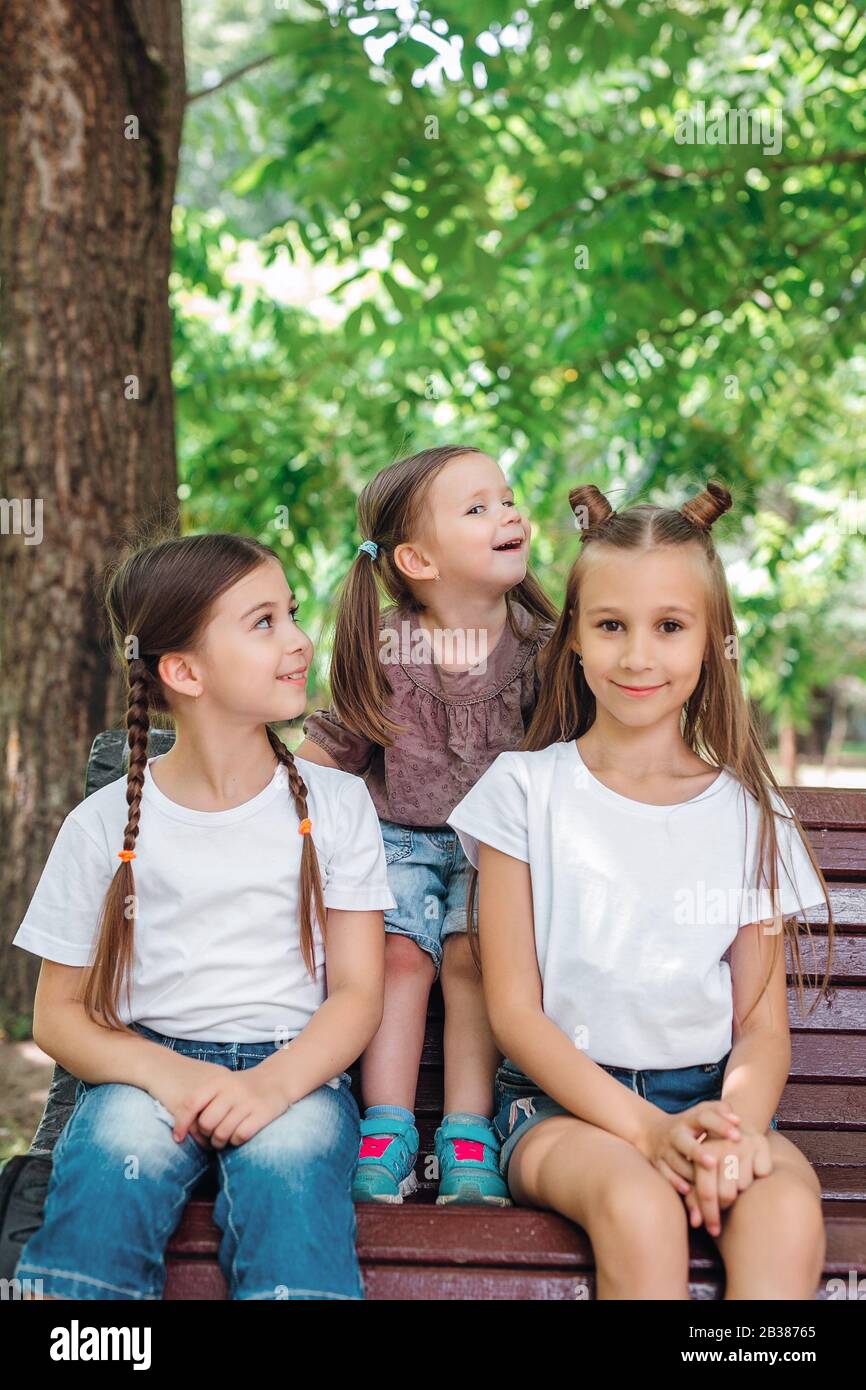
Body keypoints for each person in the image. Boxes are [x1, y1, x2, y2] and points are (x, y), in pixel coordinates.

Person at [446, 480, 835, 1299]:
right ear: (575, 640)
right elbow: (515, 1013)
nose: (637, 656)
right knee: (638, 1206)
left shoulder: (750, 815)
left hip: (710, 1103)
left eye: (669, 627)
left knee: (789, 1214)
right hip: (563, 1113)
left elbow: (760, 1030)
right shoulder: (524, 792)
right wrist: (648, 1133)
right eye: (610, 626)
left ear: (711, 641)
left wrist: (733, 1133)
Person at [12, 531, 395, 1300]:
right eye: (264, 623)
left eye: (290, 613)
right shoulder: (100, 825)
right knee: (105, 1184)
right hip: (143, 1075)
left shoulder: (339, 807)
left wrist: (273, 1086)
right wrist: (172, 1075)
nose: (299, 639)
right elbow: (57, 1018)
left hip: (297, 1073)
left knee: (292, 1185)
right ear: (184, 671)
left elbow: (358, 992)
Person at [295, 445, 557, 1205]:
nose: (507, 513)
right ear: (416, 557)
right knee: (398, 957)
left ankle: (468, 1135)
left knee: (477, 957)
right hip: (396, 839)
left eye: (506, 498)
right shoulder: (386, 645)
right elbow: (333, 750)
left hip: (499, 853)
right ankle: (387, 1131)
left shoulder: (544, 645)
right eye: (476, 508)